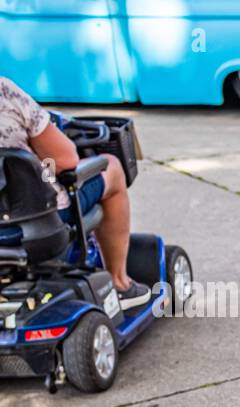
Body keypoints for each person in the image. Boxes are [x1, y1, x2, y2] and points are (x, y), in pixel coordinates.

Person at [0, 76, 150, 308]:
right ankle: (120, 283)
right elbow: (65, 159)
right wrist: (42, 163)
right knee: (111, 166)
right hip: (33, 227)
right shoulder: (5, 92)